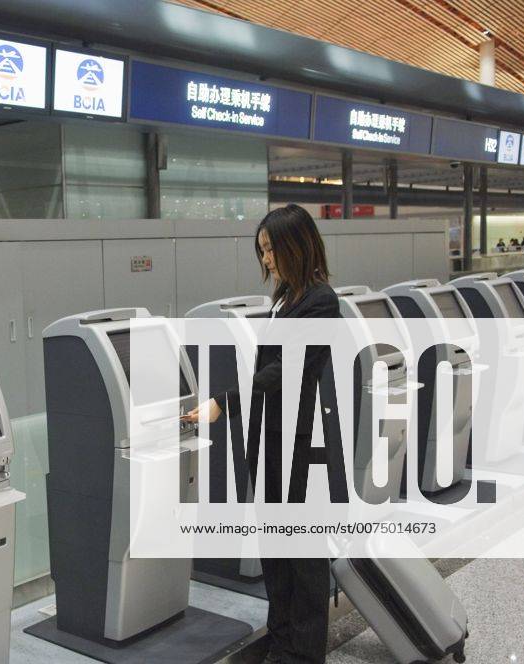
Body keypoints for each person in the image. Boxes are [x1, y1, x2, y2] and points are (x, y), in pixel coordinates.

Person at [183, 204, 339, 664]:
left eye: (271, 250)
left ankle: (306, 650)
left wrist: (222, 403)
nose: (266, 260)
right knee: (275, 547)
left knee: (303, 553)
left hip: (299, 442)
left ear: (296, 244)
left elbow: (282, 371)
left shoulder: (321, 302)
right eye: (262, 251)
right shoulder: (284, 298)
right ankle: (283, 634)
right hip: (269, 440)